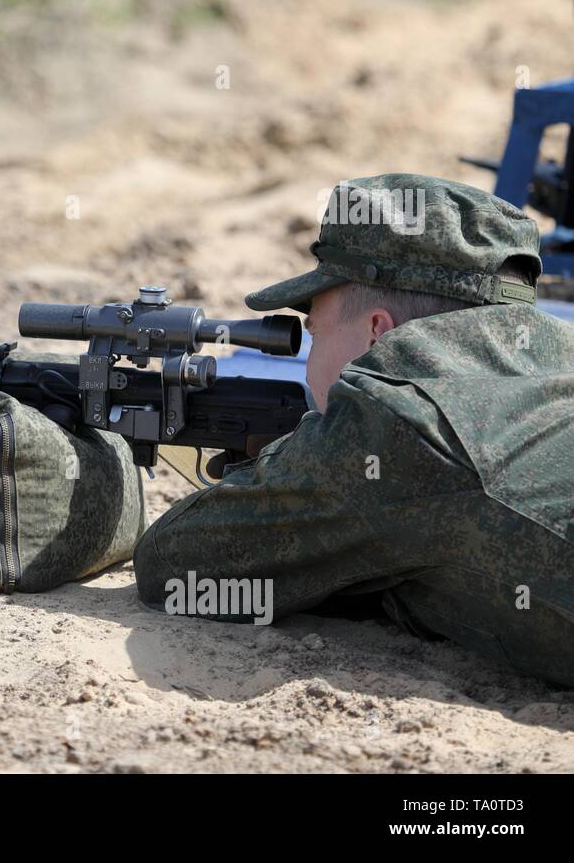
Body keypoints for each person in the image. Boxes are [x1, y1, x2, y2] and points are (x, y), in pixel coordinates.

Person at [133, 174, 574, 686]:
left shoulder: (400, 419)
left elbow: (173, 565)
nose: (309, 356)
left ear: (376, 333)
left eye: (313, 332)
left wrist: (287, 463)